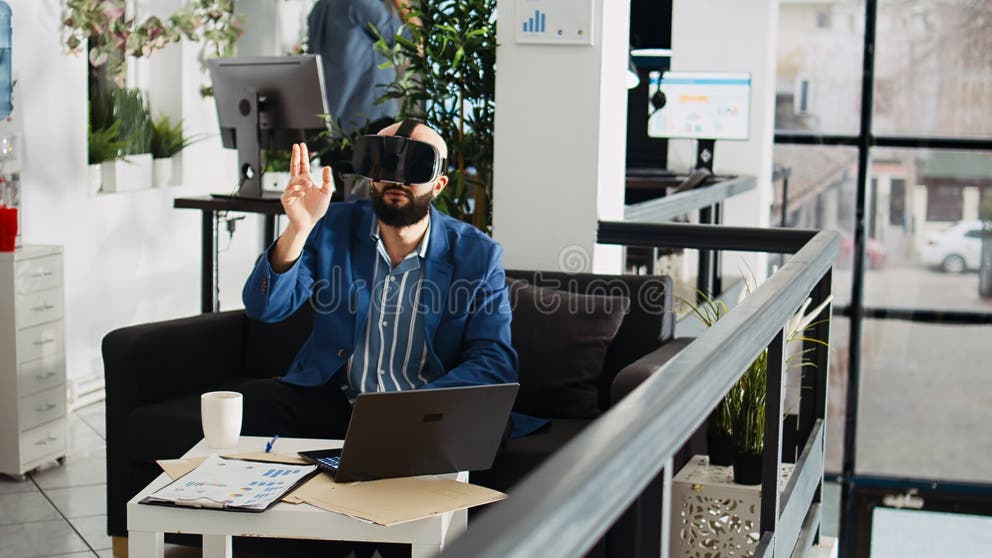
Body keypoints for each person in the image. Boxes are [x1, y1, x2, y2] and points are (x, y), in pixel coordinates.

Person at [240, 119, 528, 442]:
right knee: (245, 406)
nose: (397, 178)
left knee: (487, 426)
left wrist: (407, 409)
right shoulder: (332, 226)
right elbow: (263, 308)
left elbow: (494, 363)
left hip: (425, 412)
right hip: (338, 404)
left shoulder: (478, 256)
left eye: (416, 166)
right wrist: (298, 228)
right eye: (385, 162)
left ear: (439, 185)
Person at [307, 0, 418, 135]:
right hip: (371, 123)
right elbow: (413, 41)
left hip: (335, 130)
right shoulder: (361, 3)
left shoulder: (319, 8)